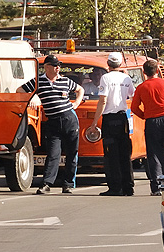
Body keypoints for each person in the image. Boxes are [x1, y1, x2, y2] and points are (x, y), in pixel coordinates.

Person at [18, 54, 83, 194]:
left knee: (72, 153)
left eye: (59, 65)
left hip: (69, 119)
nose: (58, 68)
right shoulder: (38, 81)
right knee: (53, 153)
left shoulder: (65, 81)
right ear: (47, 67)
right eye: (55, 65)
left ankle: (68, 184)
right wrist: (33, 96)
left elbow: (80, 90)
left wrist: (76, 103)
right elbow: (20, 90)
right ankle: (46, 184)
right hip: (53, 121)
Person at [130, 58, 164, 196]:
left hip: (152, 121)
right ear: (158, 71)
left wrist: (146, 115)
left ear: (144, 72)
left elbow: (134, 107)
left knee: (154, 154)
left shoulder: (141, 87)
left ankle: (156, 186)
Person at [91, 52, 137, 196]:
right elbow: (133, 95)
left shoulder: (105, 78)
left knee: (111, 154)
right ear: (120, 64)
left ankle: (115, 187)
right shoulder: (126, 78)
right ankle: (128, 186)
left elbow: (103, 100)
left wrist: (94, 122)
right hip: (123, 118)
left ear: (108, 64)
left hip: (110, 120)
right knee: (125, 153)